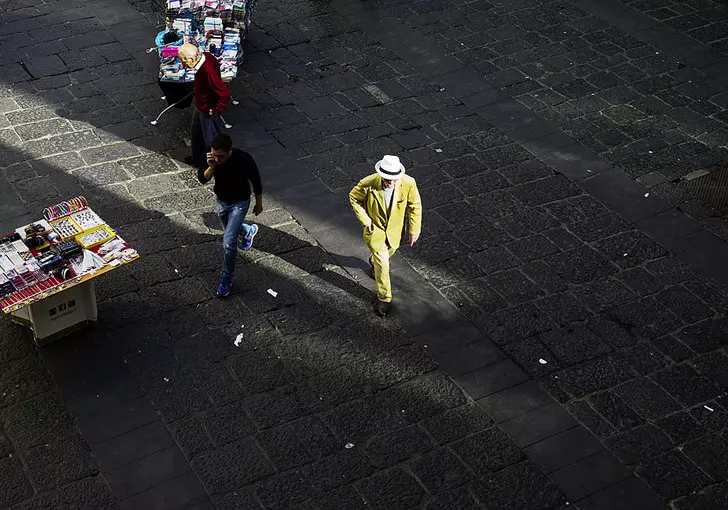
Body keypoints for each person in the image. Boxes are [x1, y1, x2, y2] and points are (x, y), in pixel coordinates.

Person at [349, 155, 422, 317]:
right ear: (381, 175)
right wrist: (365, 219)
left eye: (394, 179)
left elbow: (414, 206)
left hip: (395, 233)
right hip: (375, 232)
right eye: (388, 179)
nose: (391, 182)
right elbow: (354, 198)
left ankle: (373, 262)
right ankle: (384, 298)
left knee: (388, 253)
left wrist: (414, 229)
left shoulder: (409, 183)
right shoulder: (368, 183)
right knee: (383, 264)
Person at [198, 133, 263, 297]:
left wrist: (259, 203)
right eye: (214, 155)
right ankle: (248, 230)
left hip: (239, 203)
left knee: (228, 242)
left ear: (229, 152)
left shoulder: (243, 159)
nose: (217, 159)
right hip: (221, 200)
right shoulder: (211, 158)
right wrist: (211, 166)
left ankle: (226, 279)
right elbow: (203, 179)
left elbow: (256, 181)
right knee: (230, 230)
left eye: (221, 156)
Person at [179, 43, 231, 171]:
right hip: (201, 105)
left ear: (191, 59)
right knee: (196, 133)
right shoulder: (206, 56)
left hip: (208, 108)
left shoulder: (207, 70)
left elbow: (224, 93)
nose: (183, 64)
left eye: (183, 61)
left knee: (210, 140)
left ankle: (213, 166)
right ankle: (197, 160)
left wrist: (216, 109)